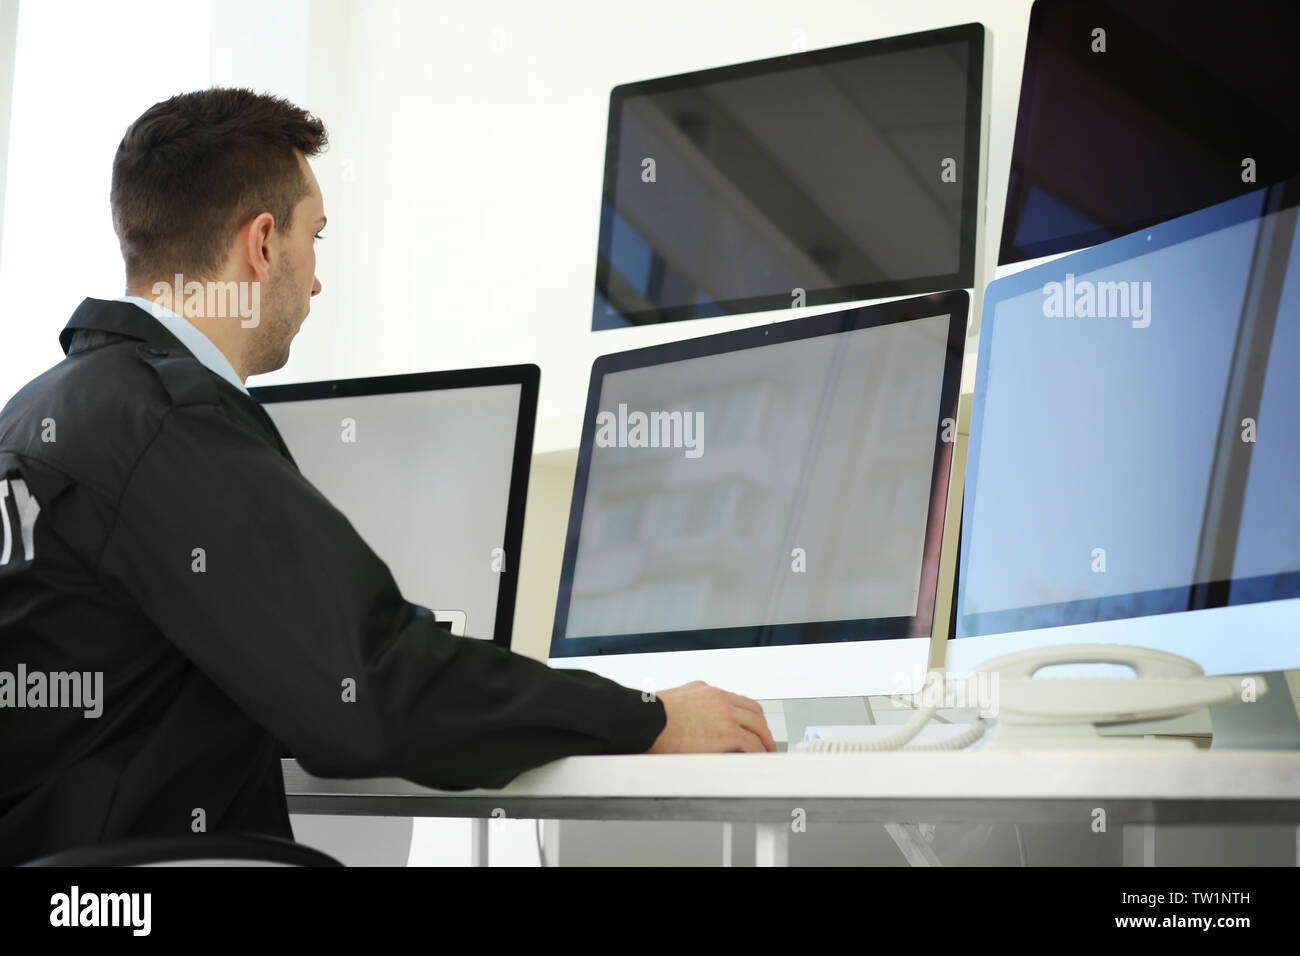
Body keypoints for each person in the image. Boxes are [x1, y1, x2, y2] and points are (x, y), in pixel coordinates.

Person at [0, 88, 774, 866]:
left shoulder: (36, 412)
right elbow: (371, 689)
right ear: (262, 244)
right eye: (317, 239)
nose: (316, 282)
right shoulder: (168, 416)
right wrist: (648, 716)